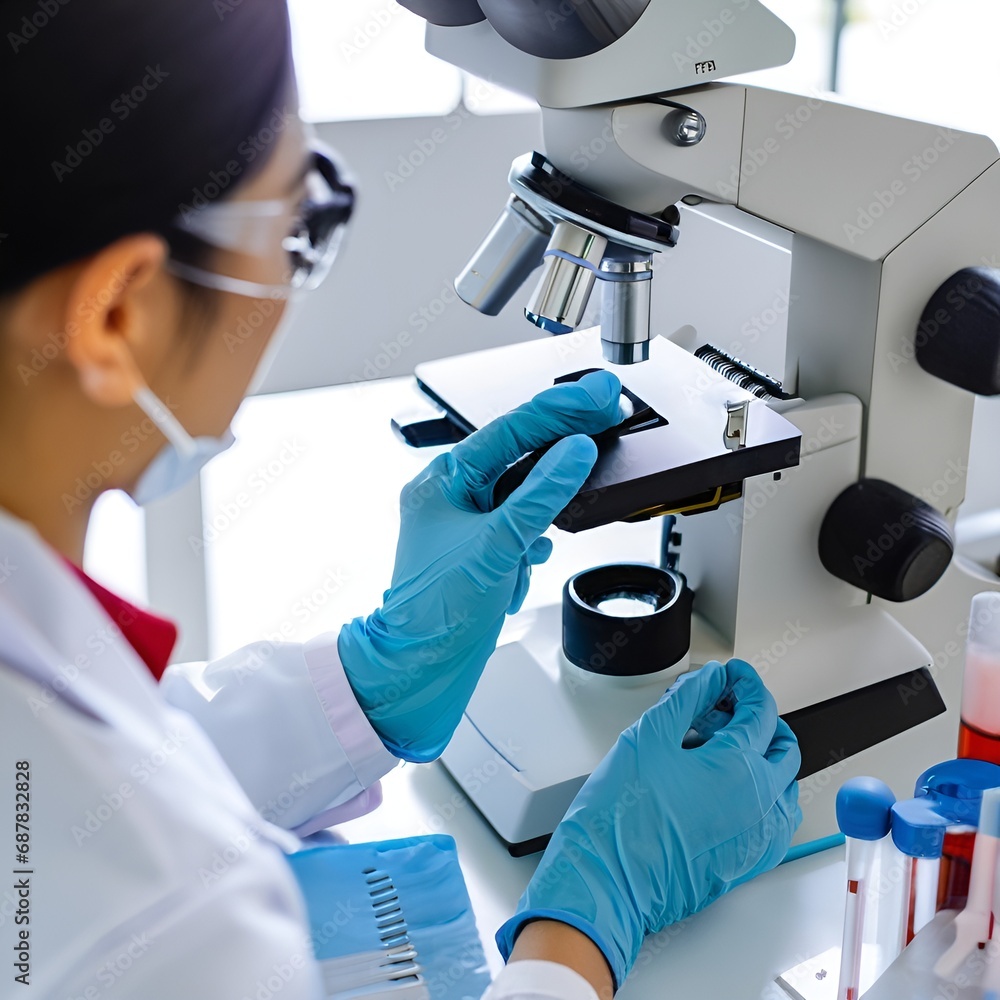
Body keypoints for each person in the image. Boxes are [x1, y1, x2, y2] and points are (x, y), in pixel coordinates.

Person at [0, 3, 801, 998]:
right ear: (119, 315)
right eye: (304, 221)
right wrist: (588, 925)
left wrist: (360, 684)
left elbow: (63, 787)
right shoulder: (178, 931)